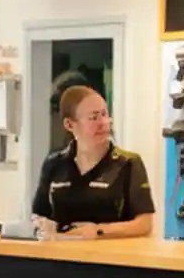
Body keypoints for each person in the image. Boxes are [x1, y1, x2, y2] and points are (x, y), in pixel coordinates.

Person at [32, 85, 155, 239]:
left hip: (111, 256)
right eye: (94, 117)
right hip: (62, 254)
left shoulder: (128, 163)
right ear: (69, 124)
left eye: (105, 114)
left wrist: (98, 231)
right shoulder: (54, 164)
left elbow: (144, 224)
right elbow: (38, 215)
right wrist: (43, 226)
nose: (103, 123)